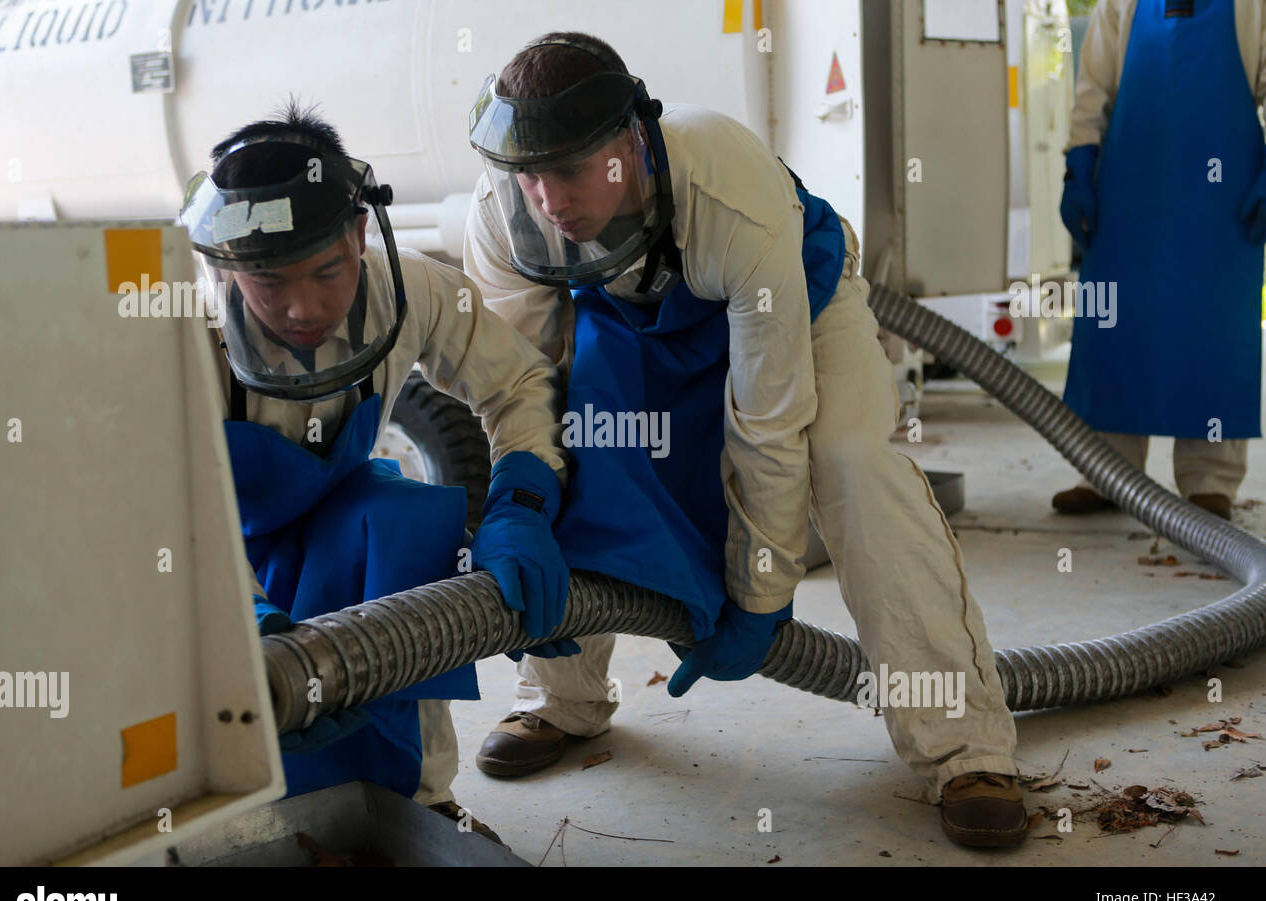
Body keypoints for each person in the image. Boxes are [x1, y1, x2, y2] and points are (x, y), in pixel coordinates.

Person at [462, 34, 1027, 847]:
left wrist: (761, 592)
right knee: (580, 447)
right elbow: (525, 390)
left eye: (572, 170)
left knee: (849, 460)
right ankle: (562, 698)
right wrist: (520, 492)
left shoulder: (726, 187)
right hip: (635, 317)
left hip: (793, 291)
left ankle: (966, 749)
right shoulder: (503, 218)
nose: (547, 199)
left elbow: (768, 418)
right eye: (530, 173)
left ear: (629, 142)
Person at [179, 104, 576, 844]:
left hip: (340, 522)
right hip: (215, 561)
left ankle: (423, 800)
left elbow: (520, 384)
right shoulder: (178, 341)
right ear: (229, 268)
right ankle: (258, 828)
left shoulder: (411, 290)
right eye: (269, 283)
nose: (303, 307)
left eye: (327, 271)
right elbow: (162, 523)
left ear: (359, 234)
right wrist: (248, 625)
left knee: (402, 515)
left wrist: (519, 504)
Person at [1052, 0, 1266, 519]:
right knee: (1116, 323)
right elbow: (1094, 82)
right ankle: (1105, 472)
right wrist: (1080, 158)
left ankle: (1209, 481)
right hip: (1130, 185)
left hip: (1224, 197)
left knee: (1215, 328)